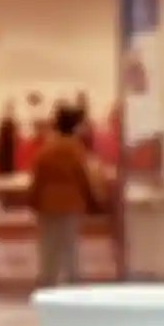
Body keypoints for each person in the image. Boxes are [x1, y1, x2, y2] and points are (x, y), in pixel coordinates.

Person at [28, 105, 96, 287]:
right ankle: (72, 281)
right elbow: (83, 177)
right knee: (70, 245)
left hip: (47, 202)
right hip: (71, 203)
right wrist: (91, 199)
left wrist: (33, 200)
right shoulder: (76, 150)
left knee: (48, 245)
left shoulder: (46, 149)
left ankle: (47, 280)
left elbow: (38, 178)